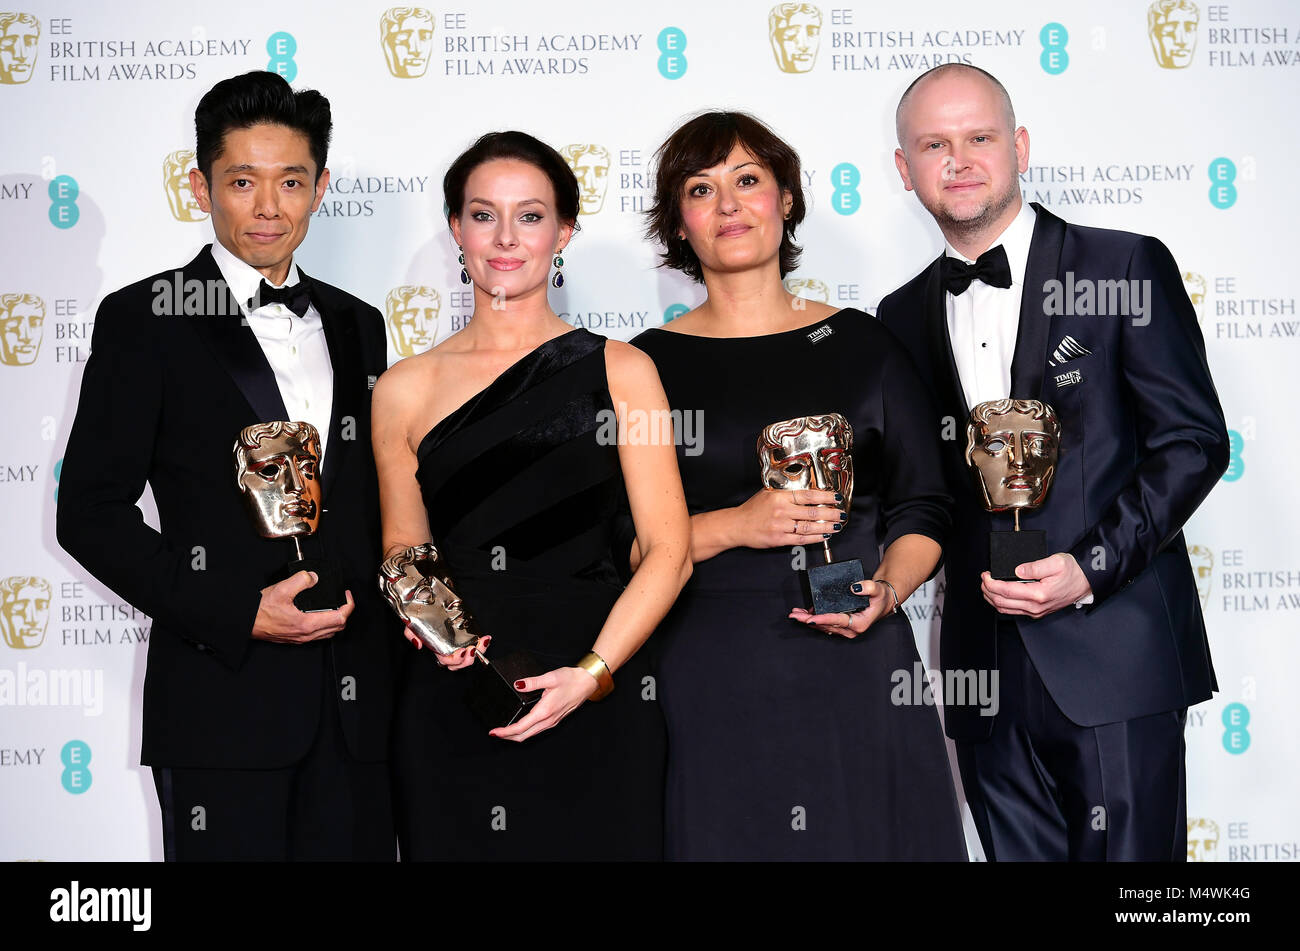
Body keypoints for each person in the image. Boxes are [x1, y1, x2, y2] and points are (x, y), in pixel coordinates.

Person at [879, 63, 1227, 860]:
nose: (959, 160)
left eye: (980, 138)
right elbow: (921, 489)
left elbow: (1194, 441)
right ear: (905, 169)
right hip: (982, 677)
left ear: (1021, 147)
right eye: (934, 143)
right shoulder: (898, 315)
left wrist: (1091, 565)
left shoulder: (1123, 266)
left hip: (1114, 652)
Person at [56, 70, 398, 861]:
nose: (269, 207)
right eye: (243, 181)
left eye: (291, 181)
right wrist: (236, 611)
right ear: (200, 184)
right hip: (222, 700)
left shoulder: (358, 323)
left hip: (357, 714)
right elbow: (90, 511)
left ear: (318, 189)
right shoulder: (146, 317)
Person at [625, 111, 966, 860]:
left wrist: (889, 588)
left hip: (857, 653)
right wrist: (734, 525)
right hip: (709, 662)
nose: (729, 205)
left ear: (786, 199)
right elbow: (615, 543)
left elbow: (924, 503)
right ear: (678, 225)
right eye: (701, 189)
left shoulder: (862, 342)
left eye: (748, 180)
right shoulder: (640, 364)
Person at [372, 130, 691, 860]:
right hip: (458, 694)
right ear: (456, 229)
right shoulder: (402, 387)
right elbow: (403, 548)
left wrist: (592, 674)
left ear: (564, 231)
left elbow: (670, 552)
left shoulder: (623, 369)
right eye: (484, 215)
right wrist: (430, 624)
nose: (506, 238)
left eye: (531, 215)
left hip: (598, 689)